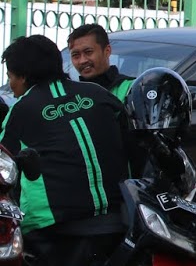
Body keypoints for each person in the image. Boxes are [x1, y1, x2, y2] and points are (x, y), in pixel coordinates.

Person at [0, 35, 129, 242]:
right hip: (119, 220)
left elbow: (3, 164)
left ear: (22, 76)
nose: (10, 84)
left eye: (10, 77)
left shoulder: (21, 110)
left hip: (51, 231)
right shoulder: (99, 94)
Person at [67, 23, 133, 101]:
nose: (82, 61)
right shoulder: (70, 98)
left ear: (107, 51)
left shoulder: (132, 89)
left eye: (88, 52)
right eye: (76, 55)